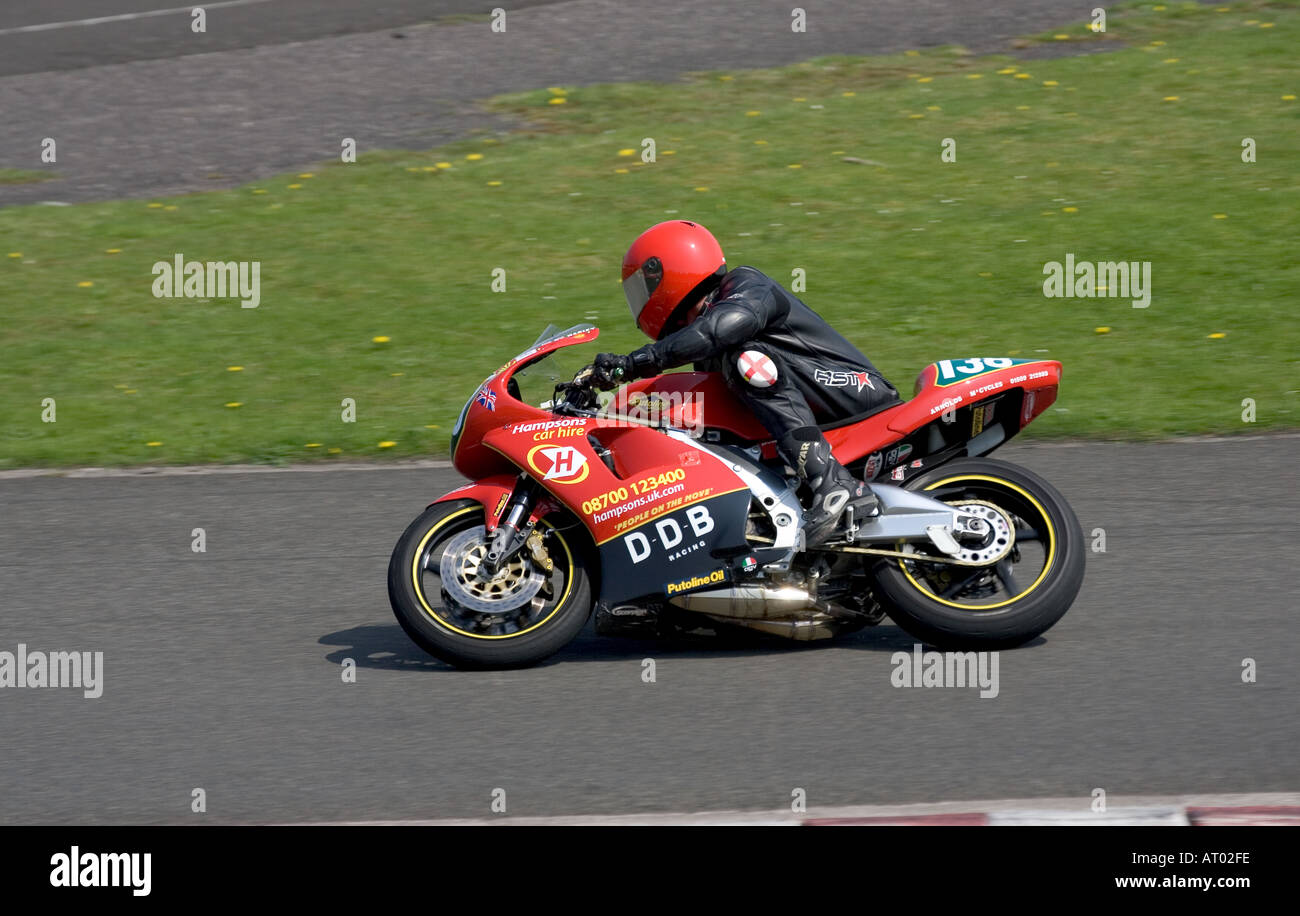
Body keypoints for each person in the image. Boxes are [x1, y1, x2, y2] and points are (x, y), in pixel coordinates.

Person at [592, 220, 899, 547]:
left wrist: (632, 364)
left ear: (675, 269)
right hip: (819, 407)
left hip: (852, 390)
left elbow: (717, 329)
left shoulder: (746, 286)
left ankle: (835, 485)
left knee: (747, 361)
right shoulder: (706, 350)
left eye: (645, 286)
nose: (642, 300)